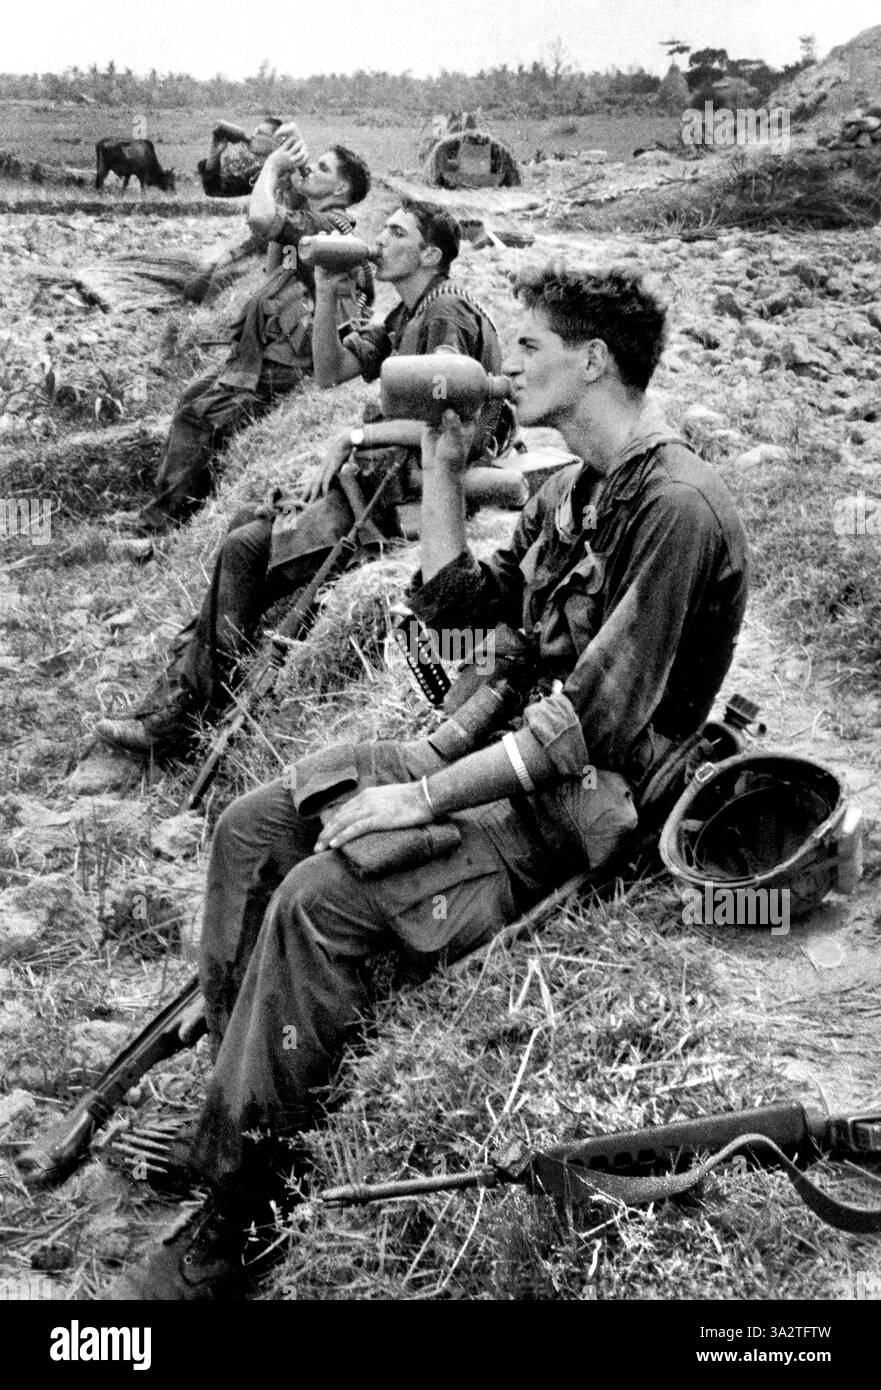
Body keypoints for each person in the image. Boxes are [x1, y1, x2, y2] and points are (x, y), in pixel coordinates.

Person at [101, 264, 748, 1300]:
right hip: (488, 759)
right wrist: (443, 465)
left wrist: (418, 796)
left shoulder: (673, 507)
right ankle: (227, 1100)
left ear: (591, 362)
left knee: (321, 900)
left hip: (567, 807)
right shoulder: (571, 486)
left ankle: (241, 1208)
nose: (507, 365)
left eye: (527, 348)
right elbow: (462, 600)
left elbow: (586, 723)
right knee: (251, 829)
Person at [96, 199, 505, 761]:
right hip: (376, 482)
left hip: (403, 496)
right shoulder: (407, 315)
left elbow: (459, 419)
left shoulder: (445, 314)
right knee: (246, 523)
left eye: (396, 233)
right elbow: (328, 370)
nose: (379, 241)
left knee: (245, 547)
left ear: (430, 254)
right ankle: (185, 678)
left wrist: (356, 438)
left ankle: (183, 719)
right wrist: (330, 290)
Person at [122, 130, 373, 535]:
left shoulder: (327, 227)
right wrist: (288, 184)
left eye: (322, 168)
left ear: (341, 188)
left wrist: (274, 166)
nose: (312, 169)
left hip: (293, 358)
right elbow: (274, 258)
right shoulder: (316, 222)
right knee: (191, 398)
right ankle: (168, 504)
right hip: (275, 346)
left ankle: (160, 524)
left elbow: (260, 218)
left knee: (198, 415)